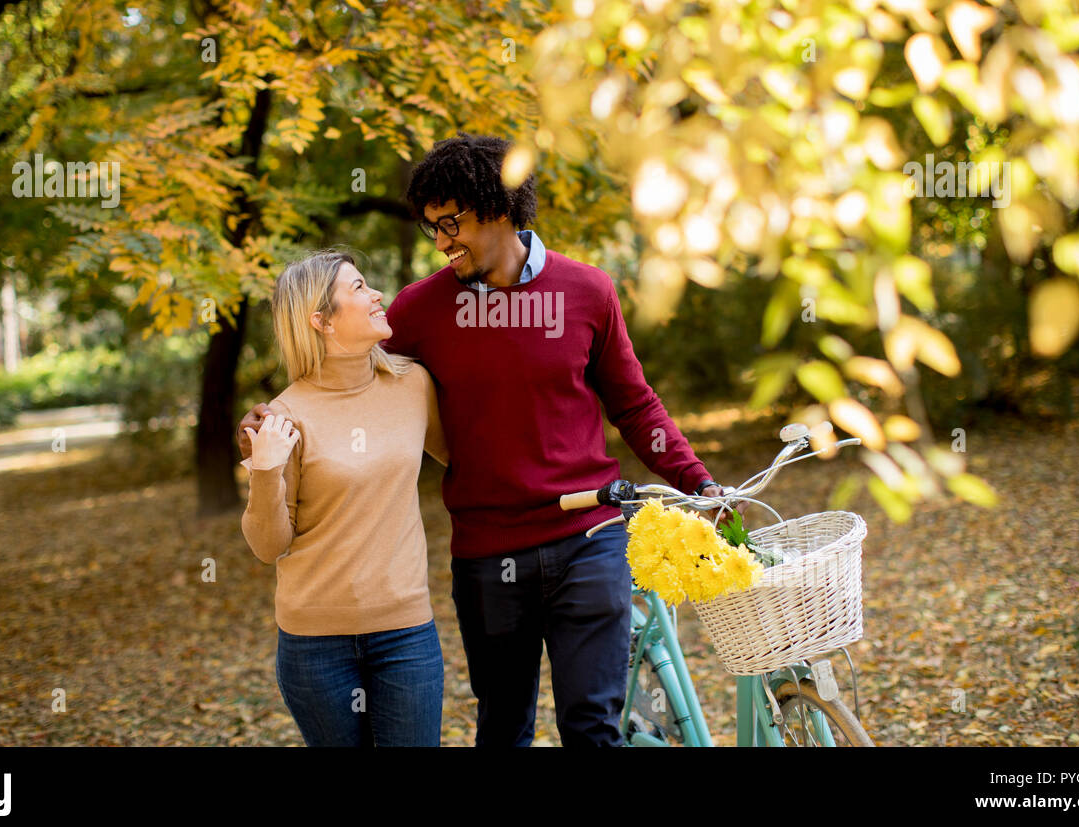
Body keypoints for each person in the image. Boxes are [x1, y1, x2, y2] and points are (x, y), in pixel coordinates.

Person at [239, 133, 725, 746]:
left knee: (593, 727)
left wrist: (698, 479)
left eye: (449, 224)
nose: (440, 243)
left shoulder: (588, 291)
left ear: (496, 208)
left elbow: (635, 404)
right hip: (488, 556)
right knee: (502, 730)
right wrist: (270, 420)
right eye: (430, 229)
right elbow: (338, 368)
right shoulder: (420, 311)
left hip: (591, 538)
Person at [239, 249, 448, 747]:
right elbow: (269, 546)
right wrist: (265, 471)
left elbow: (467, 460)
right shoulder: (285, 415)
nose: (376, 295)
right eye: (357, 289)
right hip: (314, 646)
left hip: (406, 632)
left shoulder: (412, 384)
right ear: (320, 320)